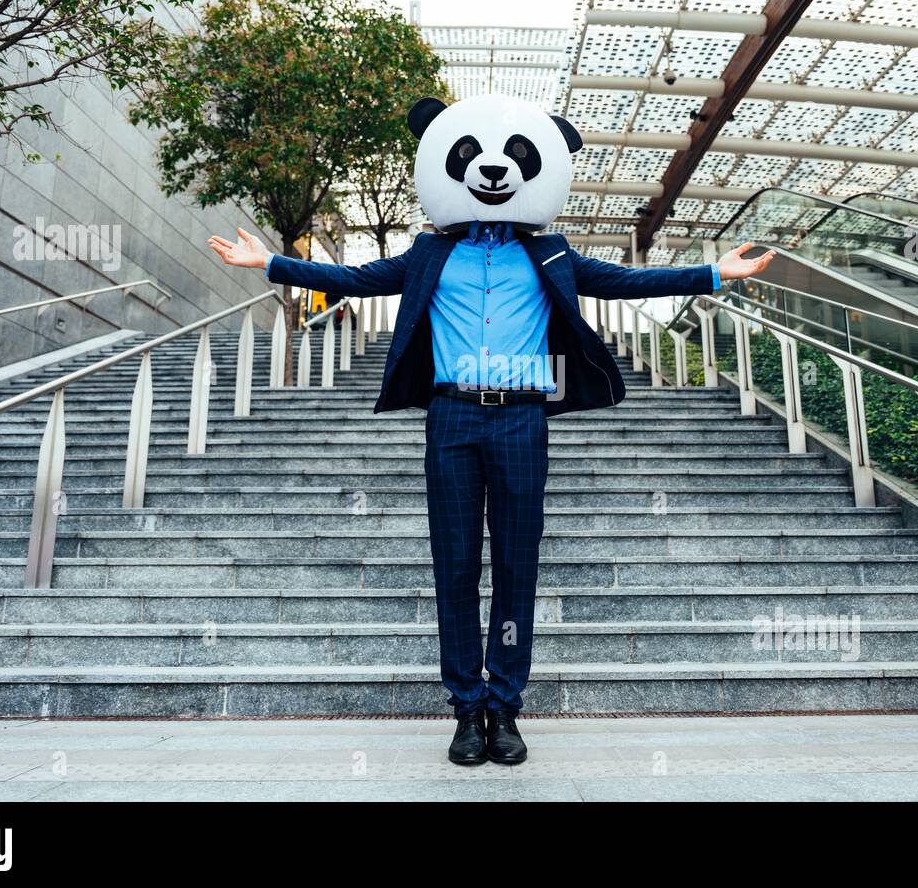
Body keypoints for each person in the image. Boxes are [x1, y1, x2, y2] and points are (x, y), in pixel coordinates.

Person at [209, 93, 774, 766]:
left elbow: (625, 281)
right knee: (453, 568)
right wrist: (271, 262)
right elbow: (354, 278)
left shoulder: (552, 256)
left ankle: (504, 707)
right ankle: (463, 708)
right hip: (450, 416)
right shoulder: (427, 255)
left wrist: (715, 271)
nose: (493, 173)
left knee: (515, 565)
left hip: (519, 418)